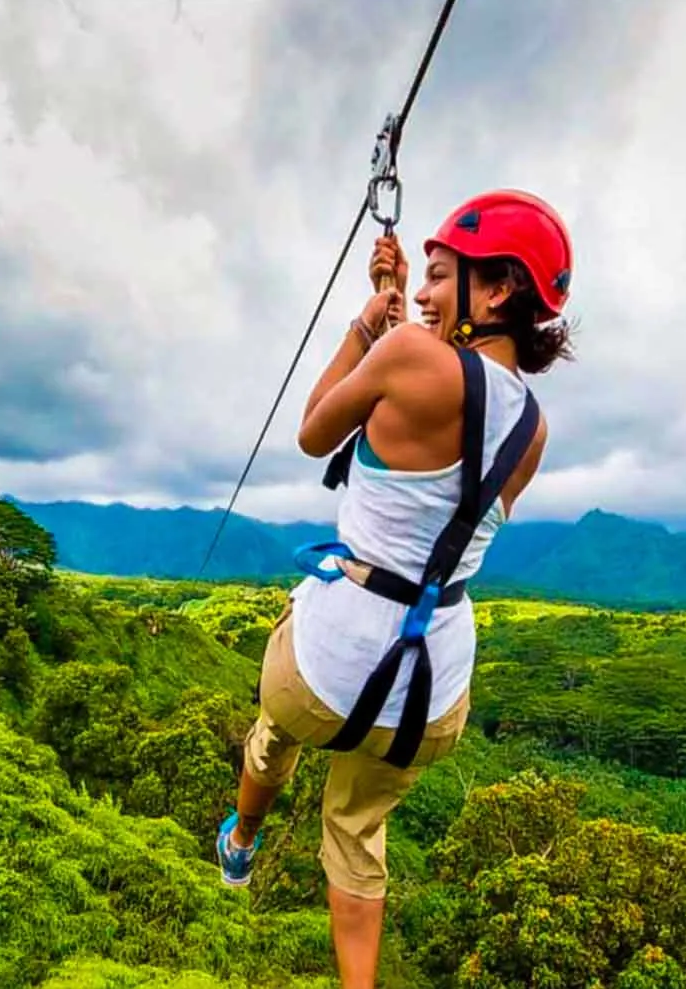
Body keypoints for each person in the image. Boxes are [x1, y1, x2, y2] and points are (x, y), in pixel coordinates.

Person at [214, 189, 576, 986]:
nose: (420, 294)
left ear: (500, 287)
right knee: (355, 827)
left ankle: (241, 843)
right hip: (432, 695)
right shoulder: (534, 427)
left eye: (441, 276)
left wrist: (365, 328)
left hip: (328, 663)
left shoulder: (409, 352)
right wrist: (406, 318)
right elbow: (457, 419)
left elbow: (315, 431)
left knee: (276, 733)